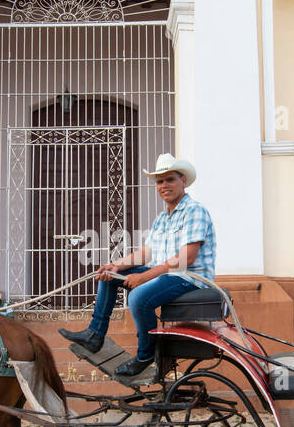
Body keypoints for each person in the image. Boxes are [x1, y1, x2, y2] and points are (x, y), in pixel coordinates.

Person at [60, 153, 216, 378]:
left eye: (170, 179)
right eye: (160, 181)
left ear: (183, 181)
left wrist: (143, 278)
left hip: (190, 279)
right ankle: (95, 335)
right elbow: (147, 254)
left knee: (138, 298)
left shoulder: (194, 211)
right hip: (169, 276)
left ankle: (146, 355)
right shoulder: (163, 218)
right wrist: (115, 265)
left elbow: (186, 258)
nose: (164, 185)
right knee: (112, 276)